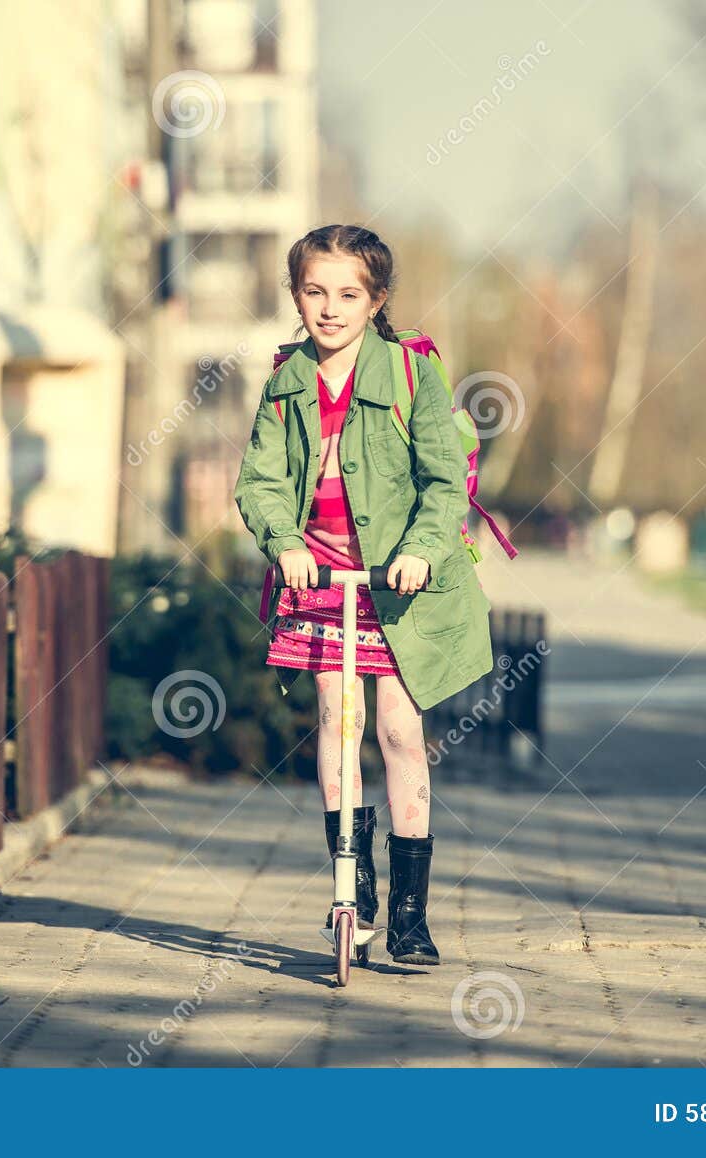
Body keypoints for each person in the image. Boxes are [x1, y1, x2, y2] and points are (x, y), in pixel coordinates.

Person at [232, 224, 494, 965]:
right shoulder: (287, 379)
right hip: (321, 577)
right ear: (296, 295)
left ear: (376, 299)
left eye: (348, 293)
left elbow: (445, 481)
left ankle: (411, 915)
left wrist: (418, 550)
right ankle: (356, 883)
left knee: (400, 733)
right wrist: (283, 541)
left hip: (398, 587)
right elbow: (260, 479)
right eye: (314, 291)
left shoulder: (412, 373)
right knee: (336, 724)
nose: (330, 308)